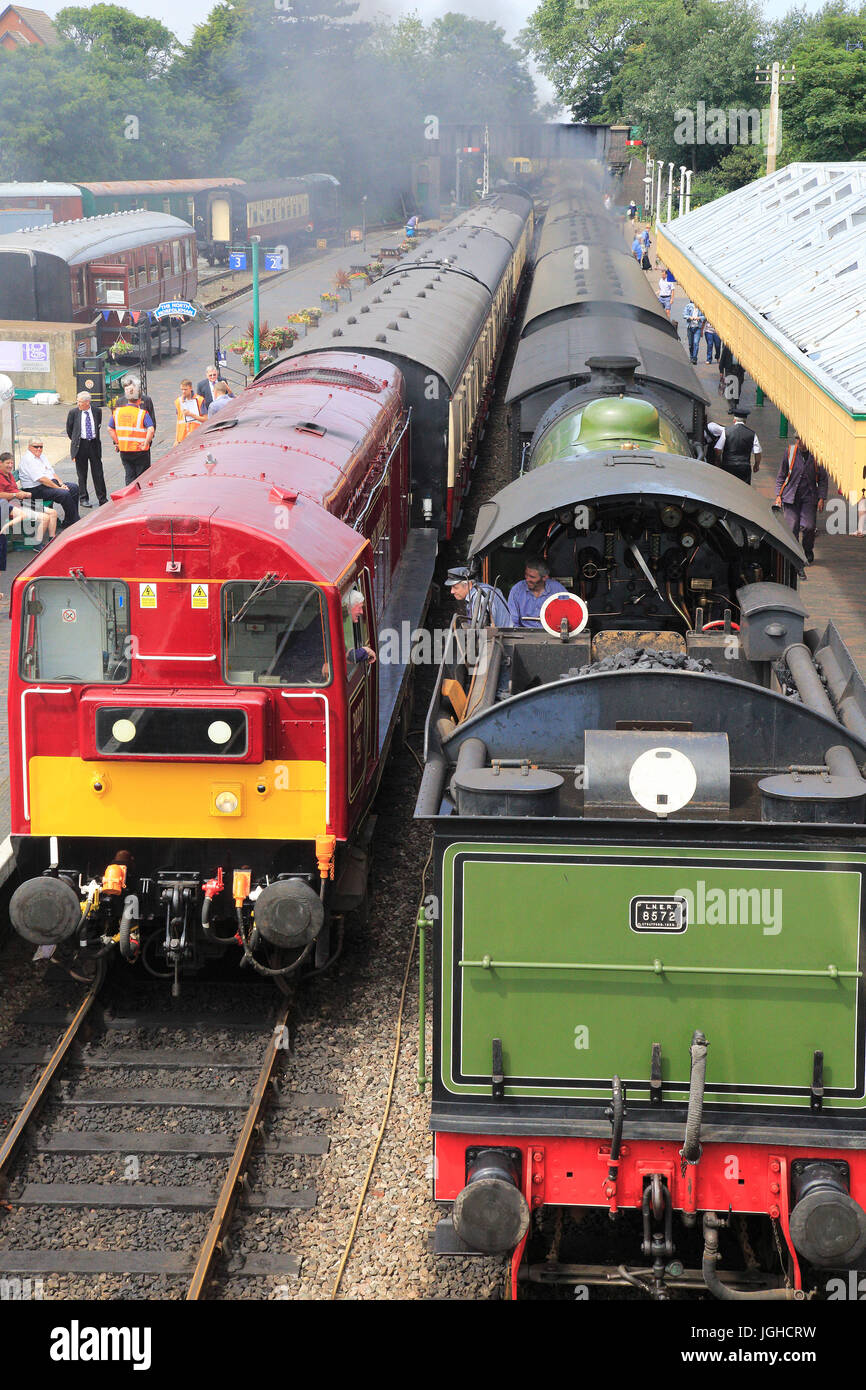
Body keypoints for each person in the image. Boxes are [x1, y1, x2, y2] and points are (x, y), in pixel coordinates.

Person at [775, 438, 828, 565]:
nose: (798, 443)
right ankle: (793, 552)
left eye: (801, 440)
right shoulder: (789, 452)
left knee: (809, 527)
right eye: (797, 440)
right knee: (791, 527)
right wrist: (778, 495)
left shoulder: (817, 455)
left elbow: (823, 479)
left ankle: (808, 550)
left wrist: (821, 498)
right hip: (790, 497)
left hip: (809, 497)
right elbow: (782, 474)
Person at [0, 450, 57, 550]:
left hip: (22, 502)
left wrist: (23, 493)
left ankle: (52, 540)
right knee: (45, 518)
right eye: (7, 463)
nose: (10, 465)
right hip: (12, 507)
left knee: (53, 513)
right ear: (0, 463)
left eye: (12, 463)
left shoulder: (9, 474)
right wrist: (16, 494)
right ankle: (36, 544)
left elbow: (14, 490)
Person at [17, 439, 80, 527]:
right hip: (34, 490)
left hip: (47, 485)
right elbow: (41, 479)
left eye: (41, 447)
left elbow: (52, 472)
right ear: (29, 447)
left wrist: (61, 484)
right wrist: (58, 488)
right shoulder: (28, 460)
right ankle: (75, 521)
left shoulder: (41, 456)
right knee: (64, 494)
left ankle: (69, 520)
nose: (39, 449)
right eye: (36, 447)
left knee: (74, 487)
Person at [65, 391, 107, 508]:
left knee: (98, 473)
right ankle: (83, 498)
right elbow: (70, 430)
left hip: (93, 444)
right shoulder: (73, 412)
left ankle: (102, 498)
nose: (78, 404)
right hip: (80, 445)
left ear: (87, 402)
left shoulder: (97, 411)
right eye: (78, 402)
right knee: (82, 474)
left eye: (80, 402)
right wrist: (76, 441)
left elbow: (98, 425)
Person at [108, 388, 155, 485]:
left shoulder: (117, 412)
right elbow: (151, 429)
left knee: (129, 476)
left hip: (125, 449)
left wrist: (117, 442)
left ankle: (130, 497)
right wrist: (146, 443)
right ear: (139, 400)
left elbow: (110, 428)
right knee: (142, 477)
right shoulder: (142, 414)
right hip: (140, 450)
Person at [445, 566, 510, 628]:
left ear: (469, 585)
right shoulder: (475, 593)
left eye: (455, 588)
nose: (452, 591)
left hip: (506, 636)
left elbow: (482, 629)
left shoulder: (481, 596)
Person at [507, 558, 562, 629]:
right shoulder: (517, 590)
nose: (527, 579)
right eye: (526, 575)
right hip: (524, 635)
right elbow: (512, 621)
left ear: (545, 577)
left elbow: (567, 615)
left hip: (552, 634)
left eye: (532, 577)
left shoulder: (557, 590)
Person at [713, 407, 762, 485]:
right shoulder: (752, 434)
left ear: (734, 420)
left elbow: (718, 449)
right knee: (744, 489)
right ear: (745, 421)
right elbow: (757, 452)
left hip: (728, 465)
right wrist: (756, 465)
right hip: (744, 467)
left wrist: (718, 460)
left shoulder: (726, 431)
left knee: (728, 487)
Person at [345, 588, 376, 665]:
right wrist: (366, 650)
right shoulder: (345, 624)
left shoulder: (348, 620)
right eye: (359, 608)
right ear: (349, 607)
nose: (362, 612)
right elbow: (351, 656)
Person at [719, 344, 745, 414]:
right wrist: (721, 371)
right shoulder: (727, 348)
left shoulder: (743, 349)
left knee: (738, 389)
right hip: (730, 369)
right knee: (730, 389)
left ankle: (735, 404)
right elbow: (722, 359)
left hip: (739, 370)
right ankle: (732, 407)